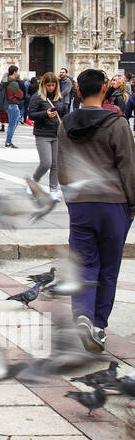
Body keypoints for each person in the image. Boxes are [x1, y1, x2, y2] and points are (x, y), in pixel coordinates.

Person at [57, 69, 135, 352]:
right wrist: (132, 203)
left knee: (85, 264)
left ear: (78, 92)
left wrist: (72, 199)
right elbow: (128, 165)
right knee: (109, 268)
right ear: (104, 90)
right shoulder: (117, 123)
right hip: (113, 203)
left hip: (81, 203)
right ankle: (98, 324)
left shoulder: (66, 123)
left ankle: (82, 317)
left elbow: (62, 165)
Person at [27, 71, 65, 191]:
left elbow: (64, 112)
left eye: (53, 85)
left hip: (56, 133)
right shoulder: (37, 97)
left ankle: (53, 190)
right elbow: (31, 114)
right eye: (48, 85)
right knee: (46, 163)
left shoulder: (59, 97)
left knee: (55, 165)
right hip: (42, 133)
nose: (51, 88)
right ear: (43, 85)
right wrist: (46, 114)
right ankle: (33, 182)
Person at [3, 65, 24, 148]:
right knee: (13, 124)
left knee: (12, 123)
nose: (17, 74)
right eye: (17, 72)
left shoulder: (4, 81)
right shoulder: (13, 83)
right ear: (14, 72)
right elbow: (20, 94)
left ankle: (8, 141)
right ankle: (8, 142)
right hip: (13, 104)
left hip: (6, 104)